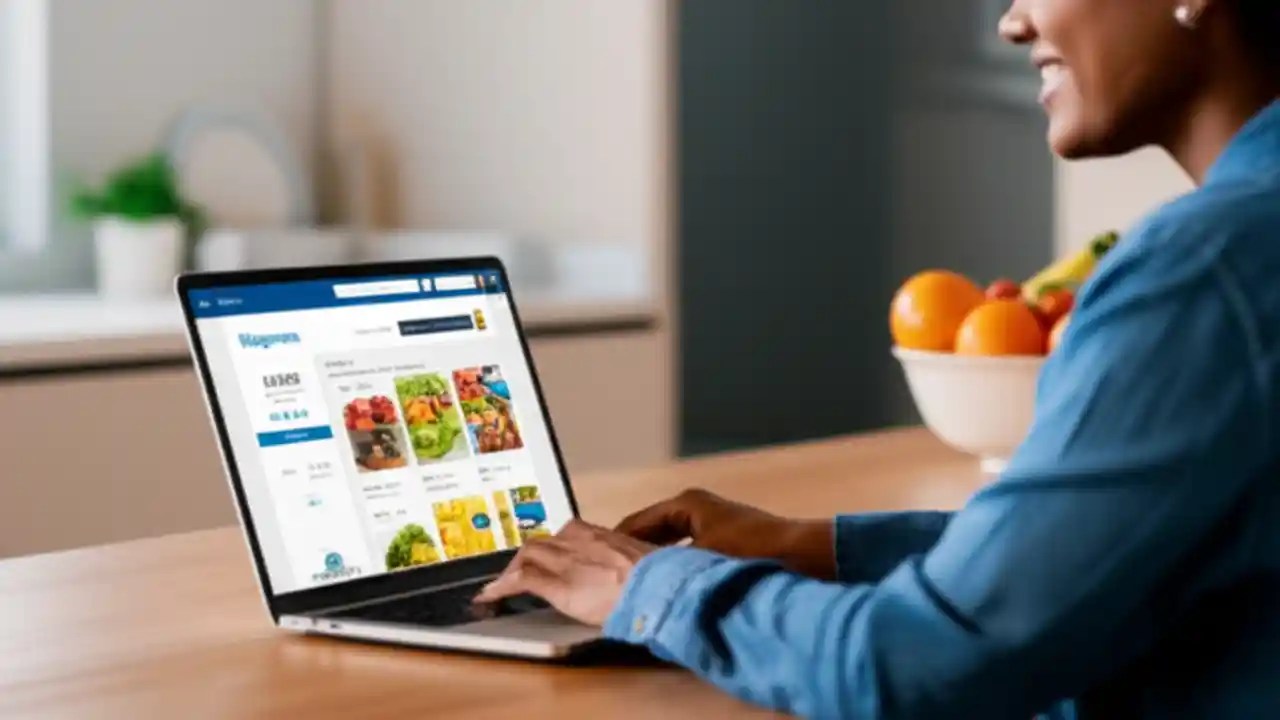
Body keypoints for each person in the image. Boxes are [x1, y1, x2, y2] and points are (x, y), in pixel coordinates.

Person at [476, 0, 1280, 716]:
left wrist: (643, 587)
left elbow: (924, 663)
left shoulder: (1207, 270)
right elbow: (1114, 551)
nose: (1011, 21)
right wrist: (811, 545)